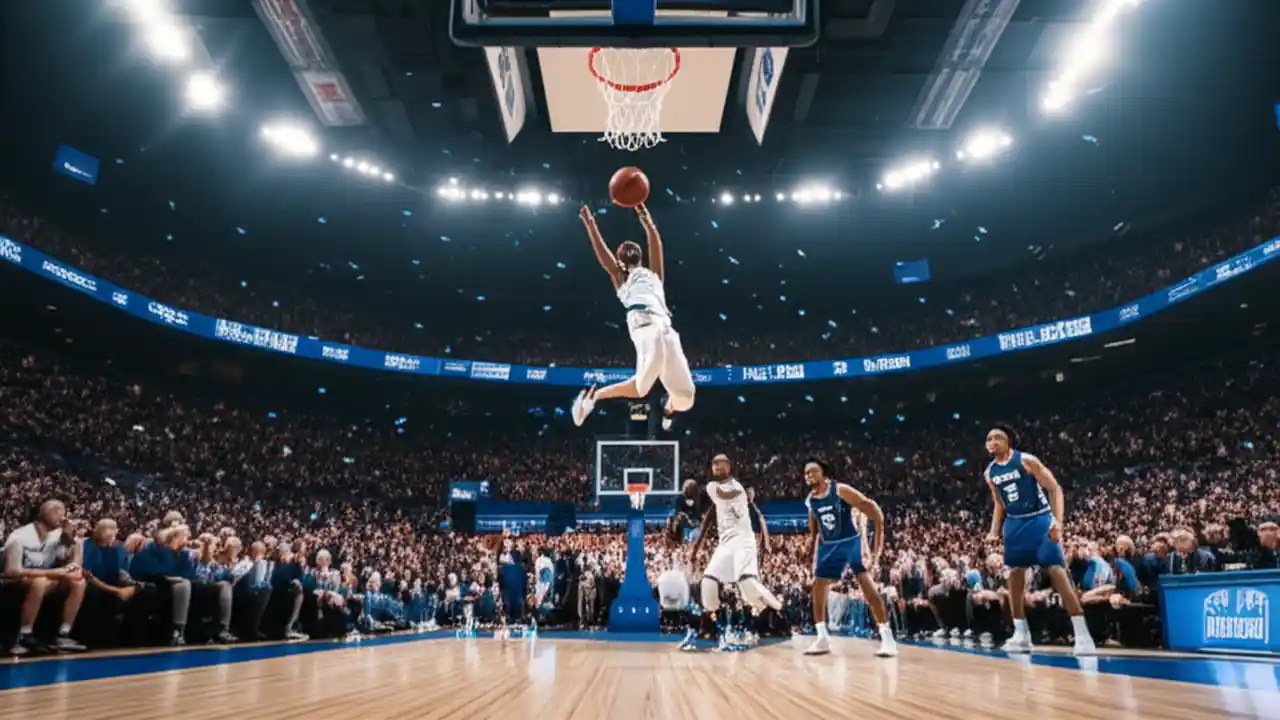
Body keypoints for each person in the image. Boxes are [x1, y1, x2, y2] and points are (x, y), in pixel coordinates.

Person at [571, 203, 695, 430]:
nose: (627, 247)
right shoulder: (621, 278)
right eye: (622, 249)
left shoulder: (654, 274)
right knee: (641, 388)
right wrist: (591, 224)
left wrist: (644, 215)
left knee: (686, 398)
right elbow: (603, 257)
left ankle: (669, 407)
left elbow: (655, 240)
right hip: (645, 327)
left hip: (666, 328)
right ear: (620, 261)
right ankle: (593, 397)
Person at [983, 425, 1096, 656]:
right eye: (989, 438)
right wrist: (994, 530)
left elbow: (1055, 489)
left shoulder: (1026, 460)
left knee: (1056, 570)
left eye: (997, 438)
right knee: (1014, 577)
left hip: (1040, 519)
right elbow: (999, 504)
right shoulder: (990, 472)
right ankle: (1021, 633)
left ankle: (1082, 634)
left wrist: (1057, 522)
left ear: (1008, 442)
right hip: (1014, 523)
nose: (992, 441)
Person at [680, 454, 781, 650]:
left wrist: (765, 541)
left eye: (720, 463)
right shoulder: (713, 488)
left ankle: (776, 608)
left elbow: (758, 517)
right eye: (713, 464)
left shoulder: (736, 489)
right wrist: (696, 546)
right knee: (708, 582)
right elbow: (709, 518)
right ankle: (714, 627)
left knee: (747, 583)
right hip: (725, 544)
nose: (716, 466)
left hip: (744, 540)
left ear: (729, 466)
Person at [802, 460, 897, 657]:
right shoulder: (810, 500)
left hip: (851, 542)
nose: (809, 476)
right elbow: (814, 530)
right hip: (829, 546)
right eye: (806, 473)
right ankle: (822, 637)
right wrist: (810, 549)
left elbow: (873, 511)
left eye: (813, 471)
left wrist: (877, 552)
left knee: (867, 588)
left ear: (823, 473)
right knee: (818, 586)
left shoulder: (840, 490)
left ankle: (887, 638)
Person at [3, 500, 88, 654]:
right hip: (19, 580)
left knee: (78, 582)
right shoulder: (19, 536)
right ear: (44, 513)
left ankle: (63, 634)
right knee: (40, 581)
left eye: (62, 511)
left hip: (47, 580)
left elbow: (68, 561)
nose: (62, 516)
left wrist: (68, 538)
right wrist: (51, 573)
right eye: (57, 510)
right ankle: (25, 634)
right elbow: (11, 571)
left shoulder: (57, 536)